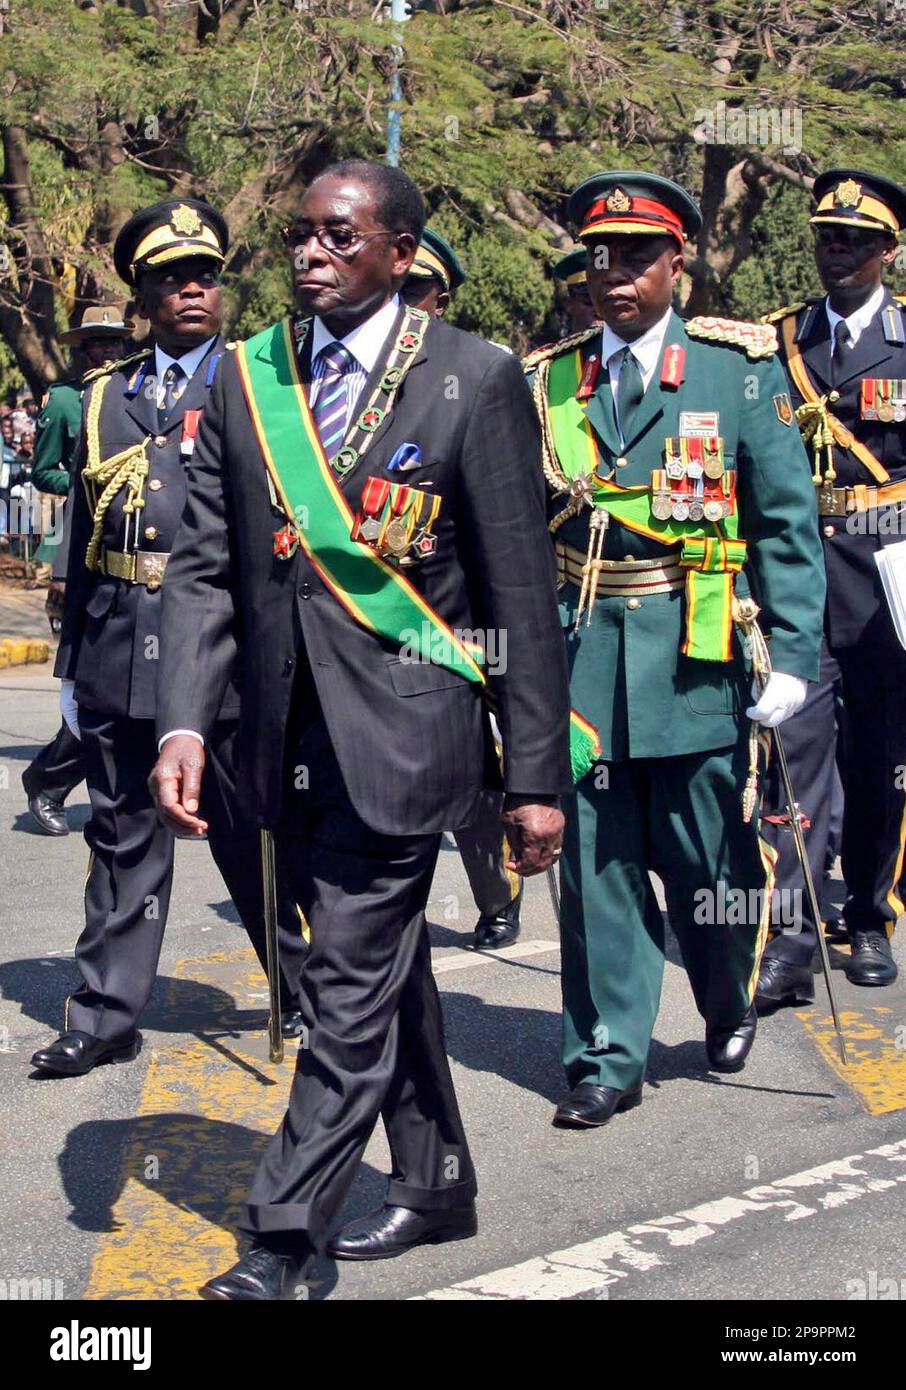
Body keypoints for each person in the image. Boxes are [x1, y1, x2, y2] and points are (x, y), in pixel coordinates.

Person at [148, 159, 571, 1299]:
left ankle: (286, 1239)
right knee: (383, 976)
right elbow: (202, 572)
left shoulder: (472, 377)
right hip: (272, 737)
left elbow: (518, 593)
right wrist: (181, 723)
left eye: (338, 237)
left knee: (343, 976)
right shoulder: (249, 379)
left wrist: (535, 777)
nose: (310, 255)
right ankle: (435, 1179)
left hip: (406, 734)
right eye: (298, 236)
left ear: (399, 249)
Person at [526, 171, 825, 1128]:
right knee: (597, 868)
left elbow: (785, 527)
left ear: (677, 261)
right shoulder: (549, 382)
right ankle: (606, 1054)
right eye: (600, 257)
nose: (616, 276)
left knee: (710, 861)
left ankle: (727, 993)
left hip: (696, 656)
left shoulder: (736, 372)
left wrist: (795, 655)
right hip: (580, 662)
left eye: (639, 256)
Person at [30, 198, 307, 1080]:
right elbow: (81, 537)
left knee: (248, 831)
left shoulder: (260, 383)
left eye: (205, 276)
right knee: (120, 835)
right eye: (169, 279)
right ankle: (105, 1011)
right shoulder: (105, 395)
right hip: (117, 637)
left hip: (220, 653)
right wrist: (71, 661)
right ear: (141, 296)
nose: (192, 289)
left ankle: (304, 987)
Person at [756, 169, 906, 1003]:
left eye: (855, 238)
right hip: (798, 573)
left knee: (882, 757)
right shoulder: (774, 342)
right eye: (827, 235)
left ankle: (871, 914)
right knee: (793, 753)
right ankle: (790, 929)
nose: (838, 249)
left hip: (887, 574)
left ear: (890, 250)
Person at [401, 227, 524, 949]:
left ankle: (496, 896)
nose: (404, 304)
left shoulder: (481, 371)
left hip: (460, 612)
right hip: (369, 607)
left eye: (417, 291)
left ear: (441, 300)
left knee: (475, 770)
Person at [22, 307, 132, 837]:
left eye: (114, 341)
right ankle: (48, 778)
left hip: (136, 552)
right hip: (76, 551)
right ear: (82, 348)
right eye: (97, 343)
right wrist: (92, 485)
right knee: (89, 688)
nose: (108, 351)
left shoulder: (138, 392)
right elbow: (44, 470)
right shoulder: (67, 400)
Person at [553, 247, 600, 335]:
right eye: (589, 303)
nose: (599, 312)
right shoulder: (562, 349)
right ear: (569, 304)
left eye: (607, 302)